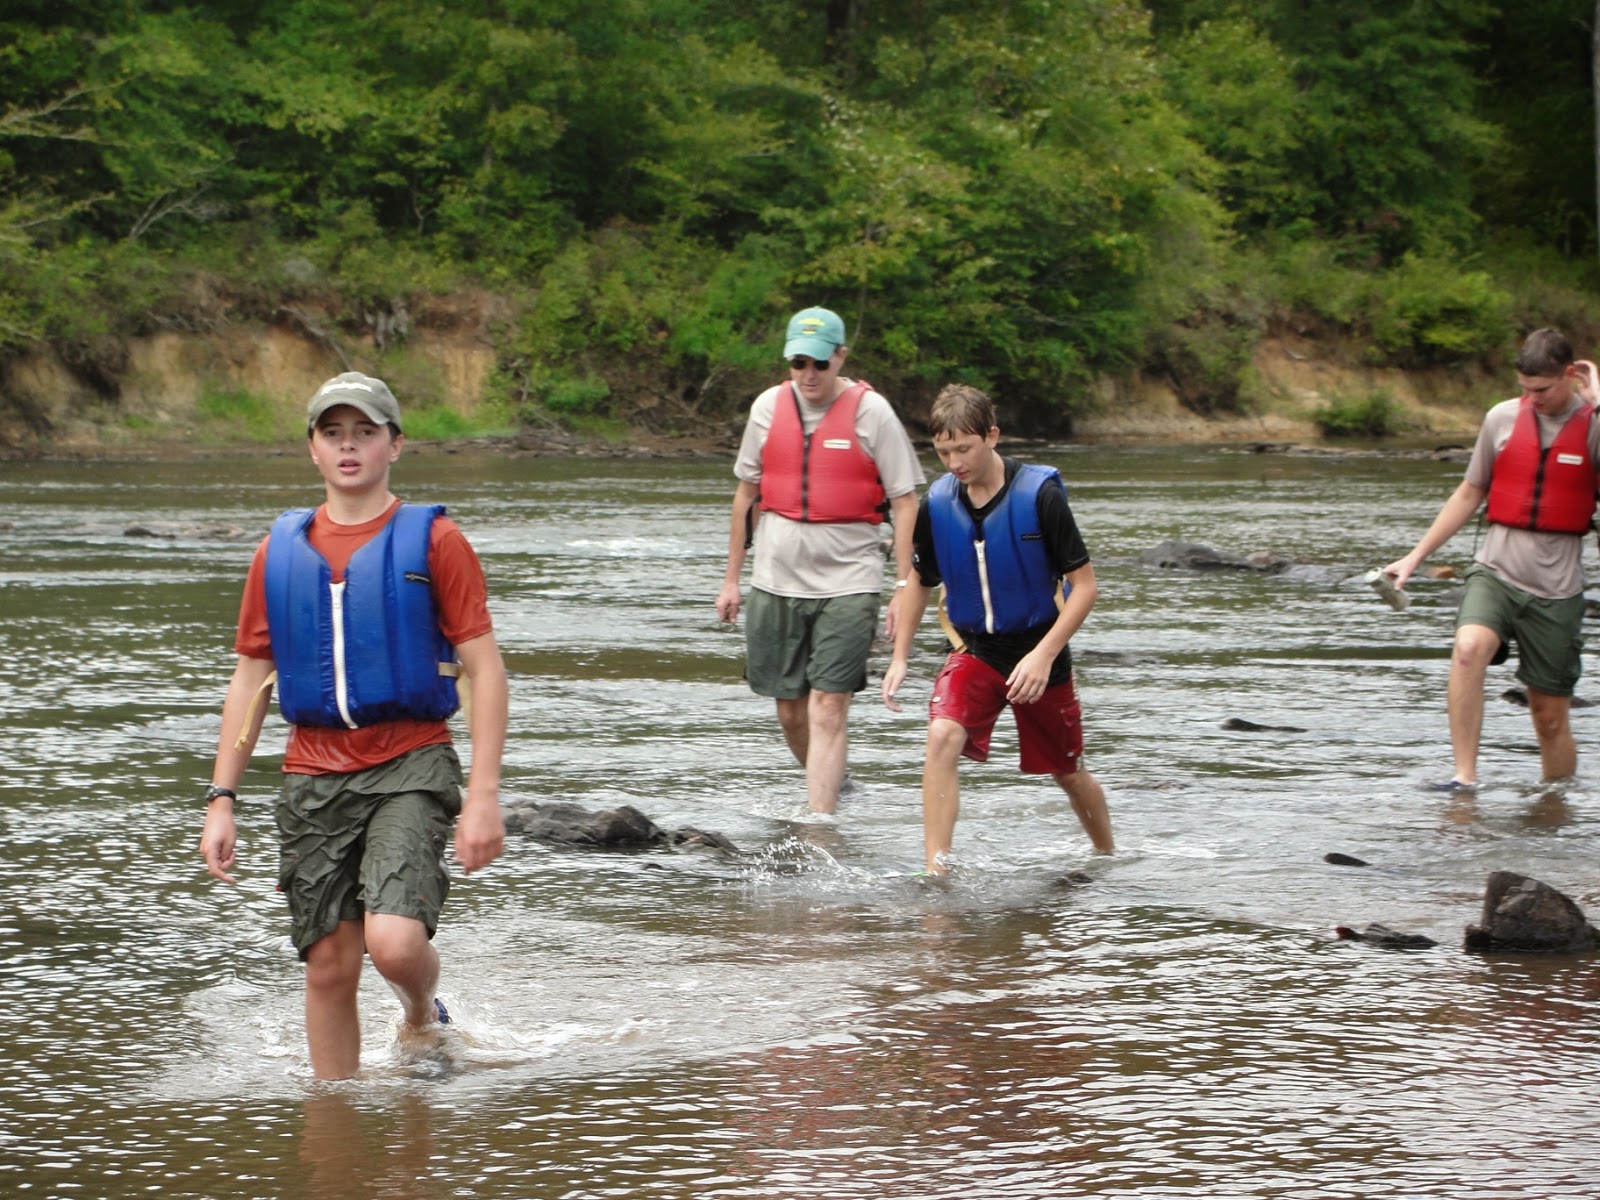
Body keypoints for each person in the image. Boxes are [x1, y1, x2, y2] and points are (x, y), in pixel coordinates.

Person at [197, 371, 508, 1080]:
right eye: (333, 433)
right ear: (312, 448)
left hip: (411, 761)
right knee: (329, 964)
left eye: (365, 432)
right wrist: (222, 798)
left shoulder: (437, 541)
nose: (349, 447)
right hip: (312, 772)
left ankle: (421, 1011)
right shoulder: (278, 552)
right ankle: (334, 1128)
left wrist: (484, 794)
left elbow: (485, 670)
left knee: (394, 943)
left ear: (395, 445)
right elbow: (250, 679)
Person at [881, 384, 1113, 874]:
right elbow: (921, 580)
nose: (953, 463)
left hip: (1039, 651)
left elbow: (1085, 587)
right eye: (943, 452)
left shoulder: (1041, 496)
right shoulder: (938, 503)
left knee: (1066, 771)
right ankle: (936, 871)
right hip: (977, 649)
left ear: (992, 436)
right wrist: (900, 656)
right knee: (942, 735)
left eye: (963, 449)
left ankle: (1107, 855)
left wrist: (1044, 654)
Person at [715, 306, 926, 815]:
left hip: (849, 581)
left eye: (819, 364)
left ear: (840, 357)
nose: (809, 374)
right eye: (798, 363)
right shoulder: (768, 408)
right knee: (790, 712)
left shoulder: (872, 413)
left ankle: (820, 828)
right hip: (775, 579)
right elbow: (747, 496)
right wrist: (730, 580)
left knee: (829, 707)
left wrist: (903, 588)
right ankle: (836, 785)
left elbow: (904, 502)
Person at [1384, 327, 1600, 792]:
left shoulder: (1594, 424)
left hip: (1557, 587)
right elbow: (1469, 491)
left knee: (1548, 717)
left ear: (1570, 376)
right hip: (1496, 570)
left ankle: (1555, 807)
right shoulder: (1501, 419)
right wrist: (1416, 556)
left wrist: (1599, 406)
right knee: (1467, 650)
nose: (1532, 399)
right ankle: (1465, 780)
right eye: (1524, 389)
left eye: (1541, 390)